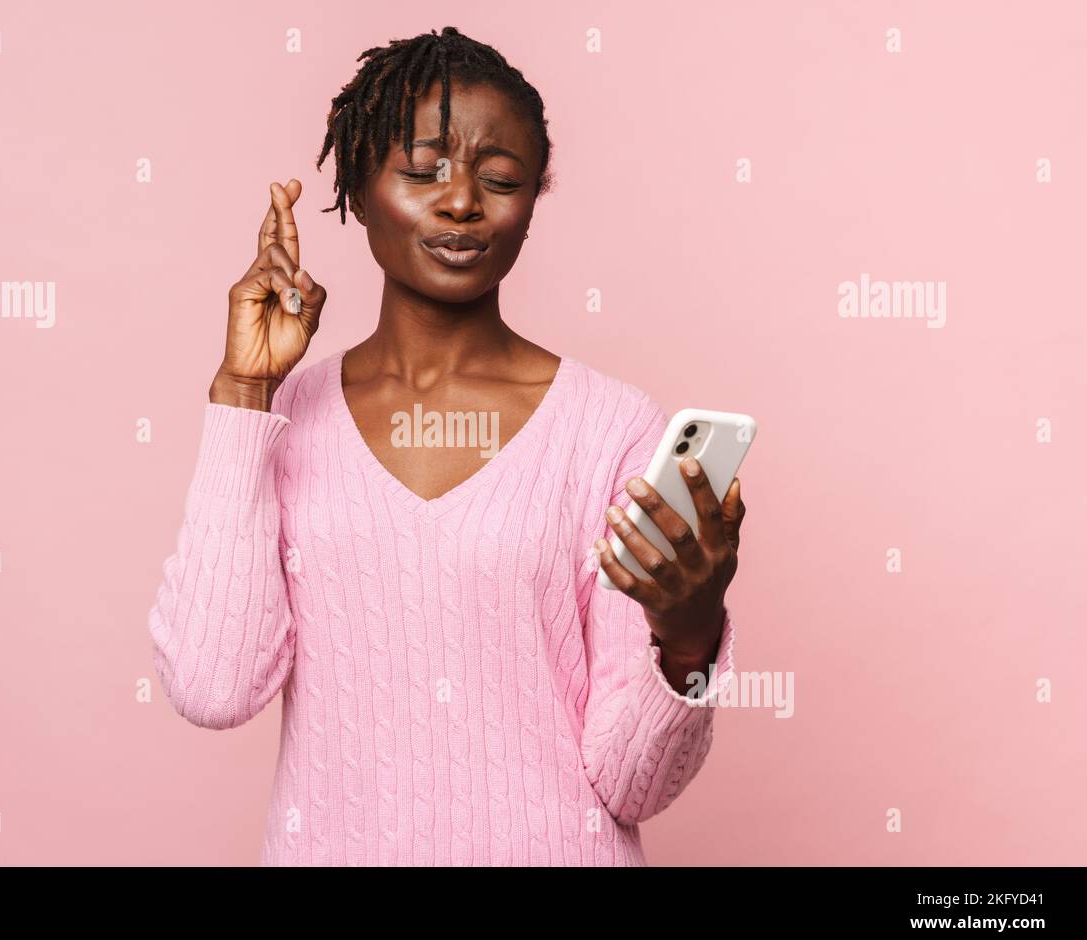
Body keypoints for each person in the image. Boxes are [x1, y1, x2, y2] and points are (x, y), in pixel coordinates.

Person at [148, 25, 746, 866]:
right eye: (424, 169)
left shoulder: (611, 431)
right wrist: (245, 393)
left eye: (500, 178)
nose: (463, 201)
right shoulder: (285, 420)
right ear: (355, 187)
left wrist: (686, 638)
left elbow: (631, 784)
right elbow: (214, 685)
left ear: (534, 199)